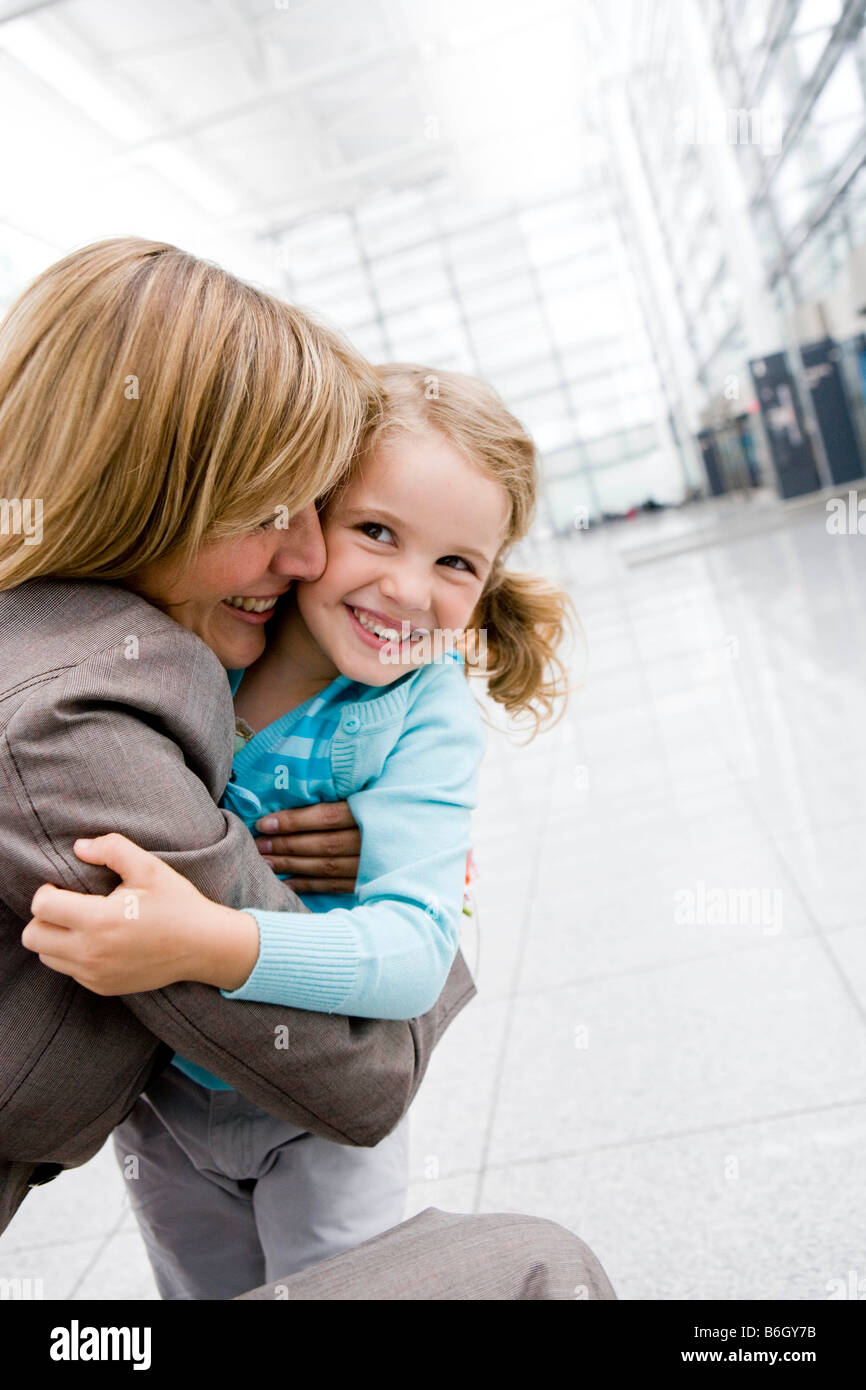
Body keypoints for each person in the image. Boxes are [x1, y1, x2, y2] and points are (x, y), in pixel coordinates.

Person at [0, 238, 615, 1300]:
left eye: (455, 563)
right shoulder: (91, 701)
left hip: (275, 1112)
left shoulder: (337, 684)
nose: (306, 558)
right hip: (181, 1106)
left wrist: (377, 896)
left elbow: (398, 957)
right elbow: (371, 1047)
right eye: (359, 527)